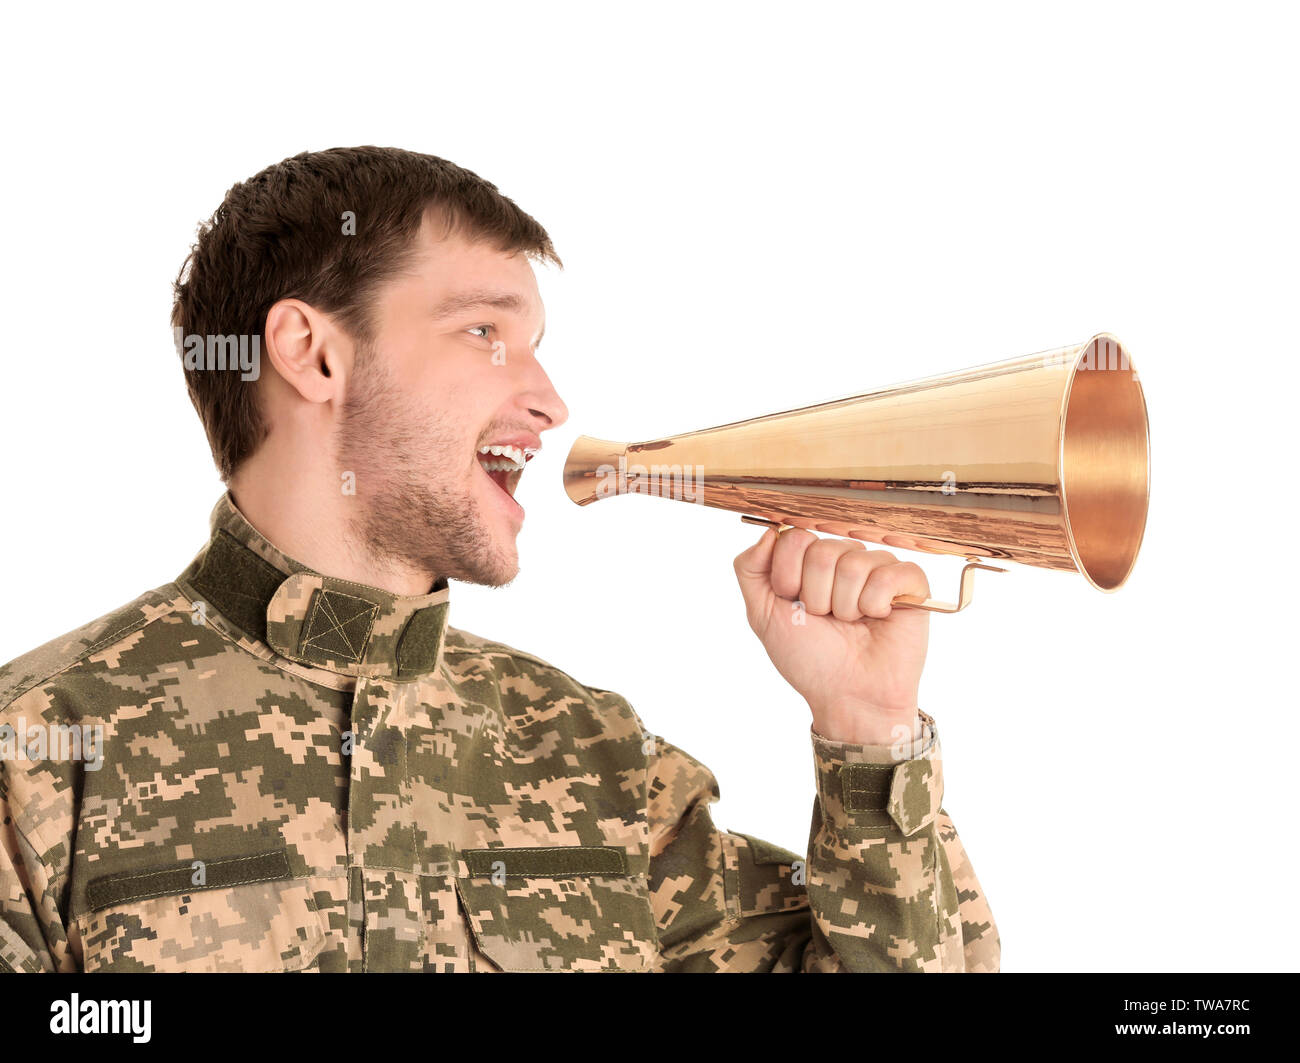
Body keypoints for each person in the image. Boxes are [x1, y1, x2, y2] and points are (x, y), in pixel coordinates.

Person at [0, 147, 998, 972]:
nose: (551, 402)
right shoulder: (35, 754)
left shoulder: (600, 757)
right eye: (485, 332)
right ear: (313, 354)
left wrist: (870, 737)